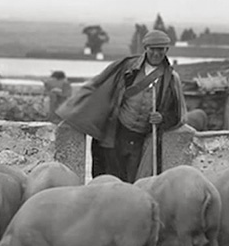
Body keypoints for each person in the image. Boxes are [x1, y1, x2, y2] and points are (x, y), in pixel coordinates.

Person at [55, 30, 186, 183]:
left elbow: (177, 114)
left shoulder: (171, 79)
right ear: (146, 48)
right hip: (117, 135)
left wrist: (162, 118)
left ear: (167, 50)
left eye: (160, 49)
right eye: (152, 49)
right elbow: (99, 86)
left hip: (141, 141)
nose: (156, 53)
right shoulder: (126, 68)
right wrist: (73, 109)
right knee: (111, 180)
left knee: (134, 182)